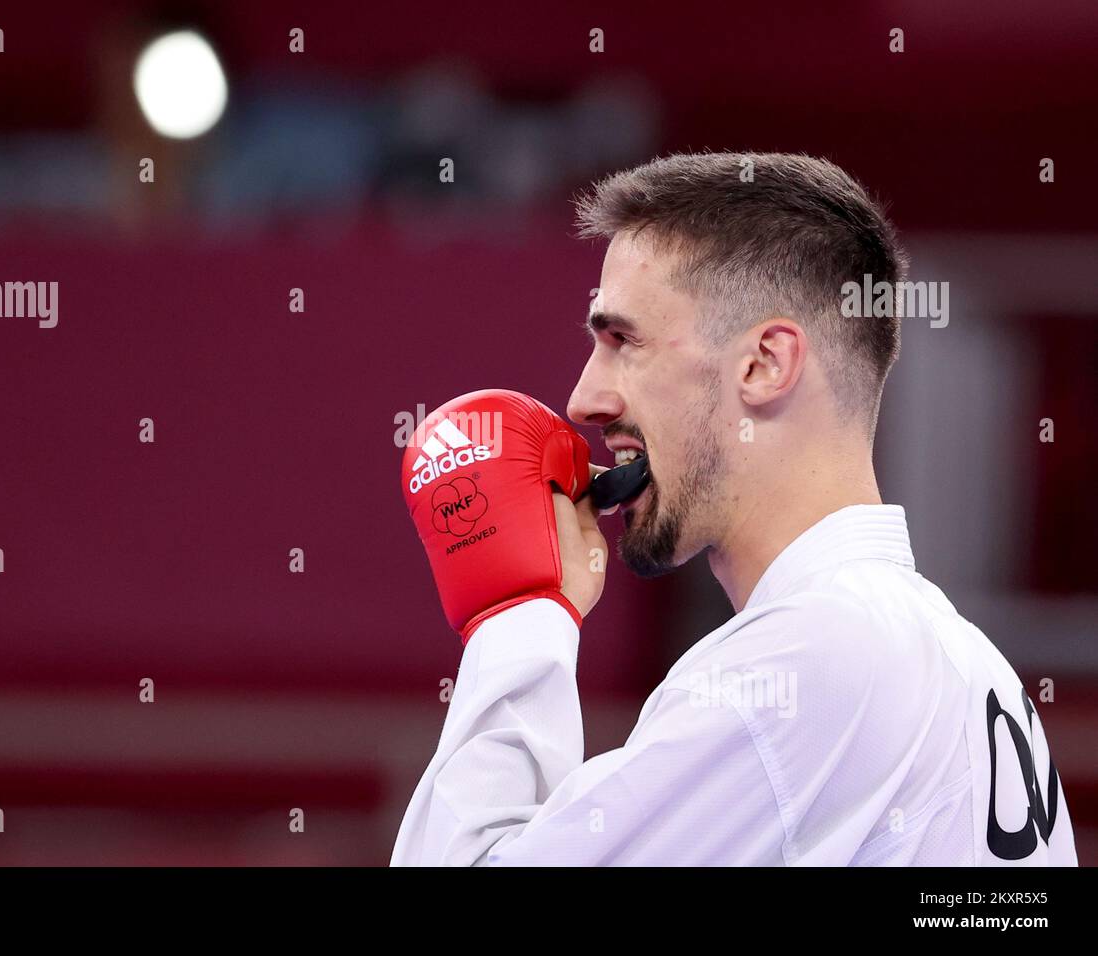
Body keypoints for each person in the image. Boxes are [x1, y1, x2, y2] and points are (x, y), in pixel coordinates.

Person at [391, 152, 1077, 866]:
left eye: (623, 341)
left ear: (764, 365)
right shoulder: (962, 659)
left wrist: (519, 613)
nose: (583, 400)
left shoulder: (808, 656)